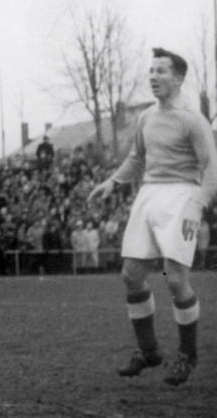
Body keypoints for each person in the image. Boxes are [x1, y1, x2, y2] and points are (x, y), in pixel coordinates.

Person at [88, 48, 217, 386]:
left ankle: (187, 356)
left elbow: (211, 170)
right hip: (149, 194)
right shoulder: (146, 117)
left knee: (175, 278)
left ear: (177, 78)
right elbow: (136, 159)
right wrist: (113, 181)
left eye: (161, 71)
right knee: (131, 274)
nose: (153, 77)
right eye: (151, 71)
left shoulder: (193, 119)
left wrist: (197, 205)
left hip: (182, 195)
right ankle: (148, 351)